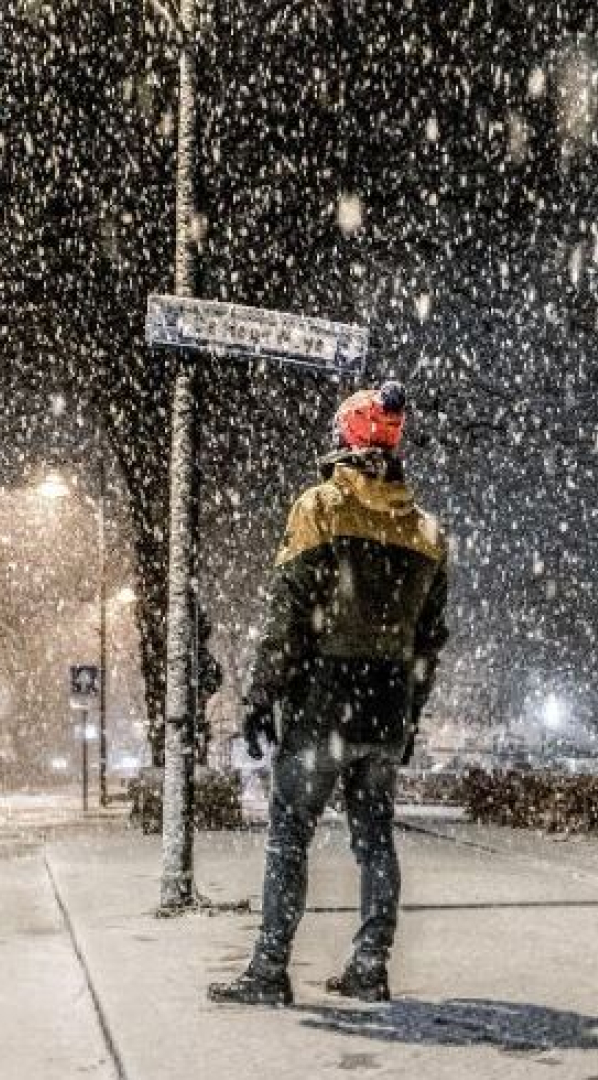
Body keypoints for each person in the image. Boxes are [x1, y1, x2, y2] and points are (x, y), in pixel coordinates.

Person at [208, 381, 449, 1007]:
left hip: (324, 704)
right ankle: (370, 964)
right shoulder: (426, 530)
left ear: (345, 440)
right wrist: (410, 717)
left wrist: (261, 696)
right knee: (376, 834)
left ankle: (269, 970)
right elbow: (428, 642)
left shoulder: (321, 506)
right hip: (387, 708)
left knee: (290, 832)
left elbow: (291, 617)